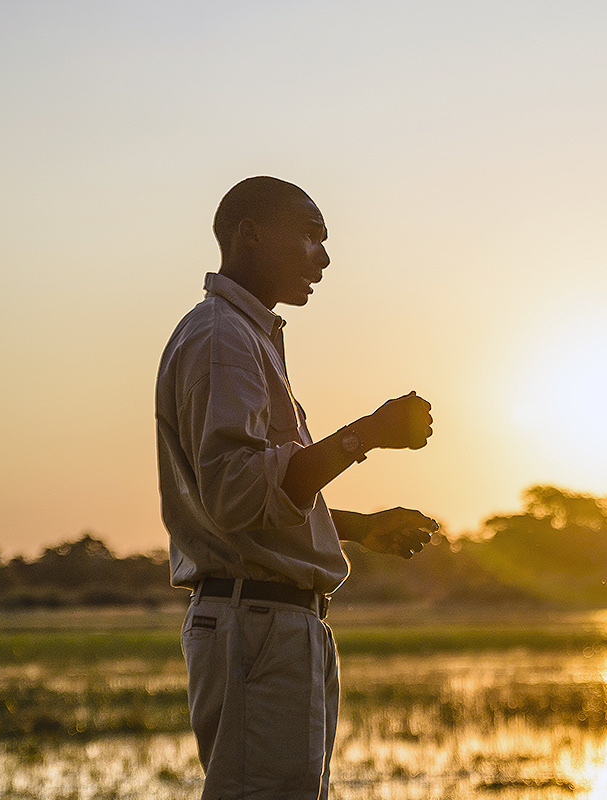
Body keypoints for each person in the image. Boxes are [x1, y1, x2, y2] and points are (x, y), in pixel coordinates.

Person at [156, 175, 439, 799]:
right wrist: (367, 433)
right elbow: (236, 493)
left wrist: (360, 528)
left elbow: (258, 499)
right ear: (250, 236)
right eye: (311, 236)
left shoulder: (243, 336)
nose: (324, 258)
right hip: (257, 626)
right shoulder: (222, 337)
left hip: (271, 624)